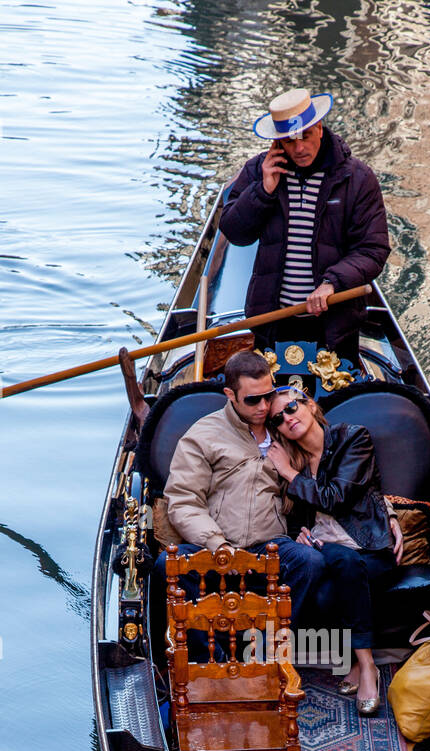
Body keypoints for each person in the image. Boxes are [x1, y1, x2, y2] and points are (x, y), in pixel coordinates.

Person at [218, 88, 390, 364]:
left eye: (305, 137)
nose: (299, 149)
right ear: (278, 143)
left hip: (335, 325)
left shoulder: (358, 178)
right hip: (273, 320)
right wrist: (263, 190)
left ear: (319, 128)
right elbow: (235, 234)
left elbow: (373, 250)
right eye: (289, 141)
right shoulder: (257, 171)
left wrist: (331, 284)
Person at [161, 349, 326, 627]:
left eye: (267, 395)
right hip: (216, 548)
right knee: (165, 566)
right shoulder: (204, 434)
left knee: (310, 562)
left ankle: (263, 651)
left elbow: (329, 462)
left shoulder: (285, 426)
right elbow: (184, 500)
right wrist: (219, 545)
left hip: (270, 548)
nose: (263, 407)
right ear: (230, 394)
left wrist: (387, 513)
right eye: (252, 400)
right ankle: (209, 657)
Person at [267, 387, 397, 716]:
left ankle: (365, 666)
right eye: (278, 418)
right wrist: (300, 534)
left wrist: (287, 472)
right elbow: (295, 518)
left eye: (292, 407)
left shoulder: (353, 438)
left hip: (369, 546)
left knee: (346, 563)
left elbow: (336, 497)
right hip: (330, 553)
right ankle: (364, 662)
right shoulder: (295, 460)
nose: (288, 418)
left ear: (310, 404)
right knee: (336, 567)